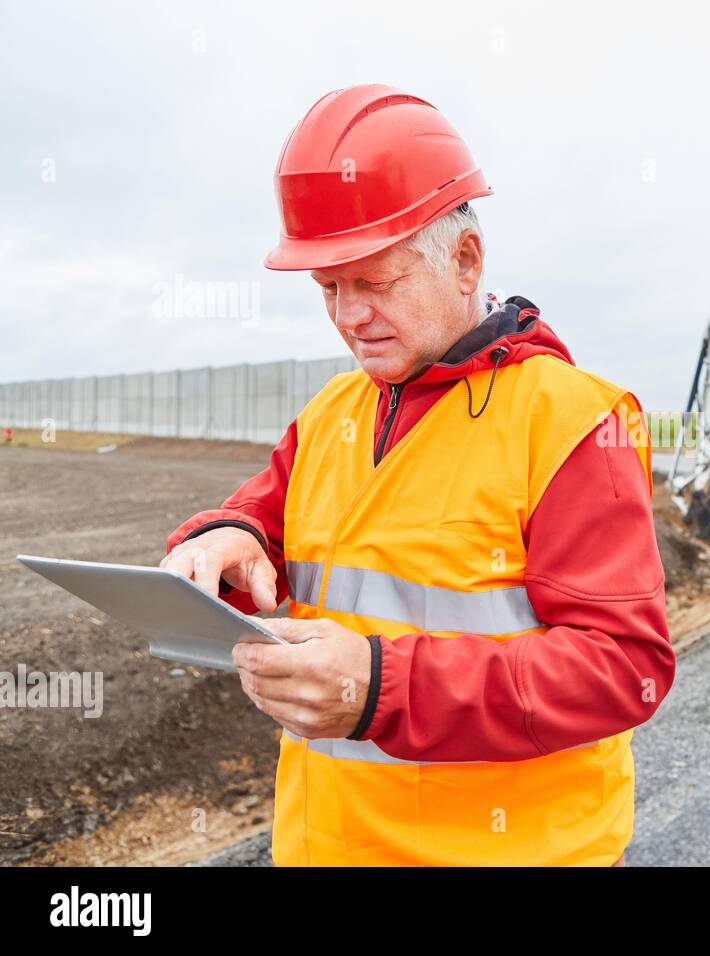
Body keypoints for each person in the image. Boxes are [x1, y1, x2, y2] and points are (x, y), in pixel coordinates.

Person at [160, 84, 674, 866]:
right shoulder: (334, 410)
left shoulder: (575, 421)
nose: (348, 316)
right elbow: (261, 517)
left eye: (373, 281)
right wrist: (224, 539)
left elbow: (622, 669)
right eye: (328, 288)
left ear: (464, 260)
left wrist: (377, 684)